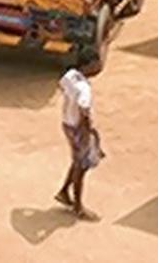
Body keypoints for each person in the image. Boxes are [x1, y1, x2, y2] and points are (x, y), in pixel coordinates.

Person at [55, 52, 105, 220]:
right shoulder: (84, 89)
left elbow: (61, 85)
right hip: (78, 129)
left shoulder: (70, 75)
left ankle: (64, 192)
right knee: (81, 167)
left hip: (67, 123)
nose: (99, 67)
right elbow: (84, 111)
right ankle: (78, 207)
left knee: (77, 162)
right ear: (88, 65)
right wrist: (88, 131)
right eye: (97, 63)